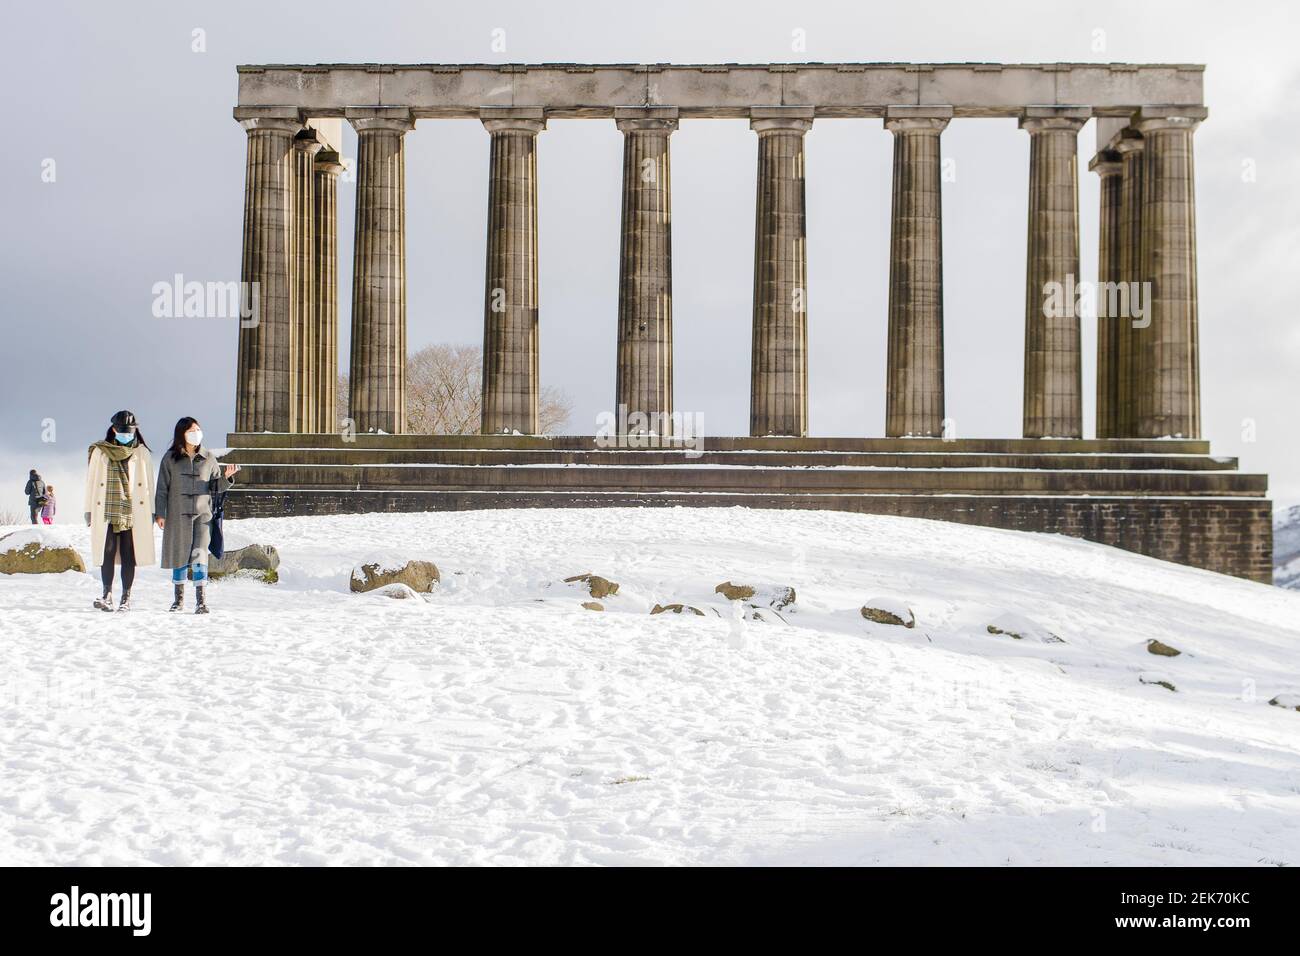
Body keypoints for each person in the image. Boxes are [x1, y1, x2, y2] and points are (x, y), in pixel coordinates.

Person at [155, 417, 238, 614]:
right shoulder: (169, 459)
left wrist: (227, 478)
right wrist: (160, 513)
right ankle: (178, 600)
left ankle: (201, 601)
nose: (197, 433)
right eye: (192, 430)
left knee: (200, 555)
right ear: (182, 434)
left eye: (199, 429)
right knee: (180, 556)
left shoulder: (208, 457)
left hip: (203, 515)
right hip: (177, 516)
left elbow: (216, 487)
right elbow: (161, 490)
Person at [84, 411, 156, 612]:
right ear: (114, 430)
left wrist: (152, 511)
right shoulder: (100, 451)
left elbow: (149, 483)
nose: (127, 435)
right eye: (123, 431)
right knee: (106, 552)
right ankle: (106, 594)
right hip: (106, 508)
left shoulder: (142, 452)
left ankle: (126, 597)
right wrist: (88, 509)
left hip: (133, 511)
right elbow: (91, 482)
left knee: (128, 554)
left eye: (130, 431)